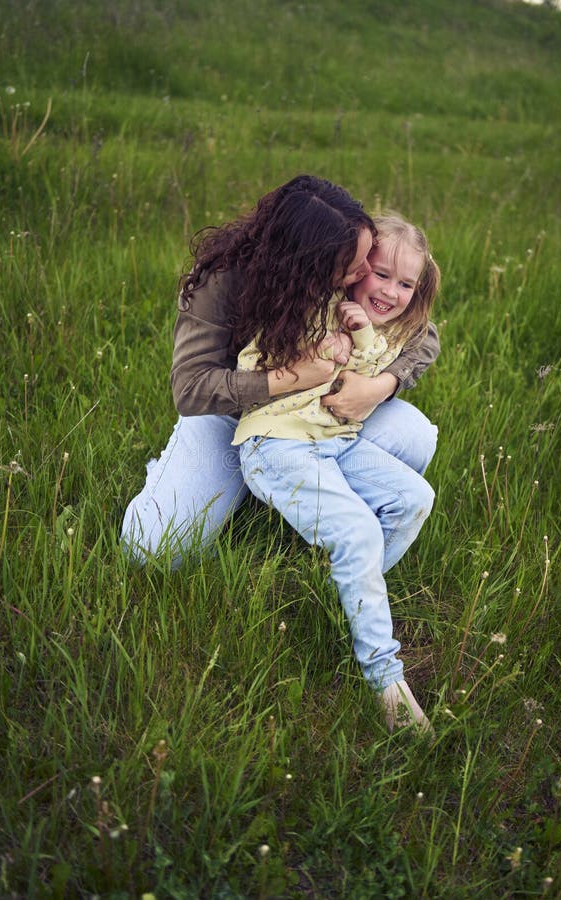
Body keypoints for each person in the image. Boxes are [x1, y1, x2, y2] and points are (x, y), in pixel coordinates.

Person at [120, 177, 439, 577]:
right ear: (308, 264)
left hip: (318, 420)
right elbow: (191, 389)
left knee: (416, 435)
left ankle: (316, 523)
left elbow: (423, 331)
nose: (364, 274)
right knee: (153, 551)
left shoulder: (350, 274)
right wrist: (291, 378)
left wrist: (379, 387)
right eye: (355, 266)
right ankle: (219, 483)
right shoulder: (222, 283)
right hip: (233, 418)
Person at [236, 214, 440, 732]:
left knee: (415, 497)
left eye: (406, 282)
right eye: (382, 274)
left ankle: (340, 596)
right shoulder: (315, 298)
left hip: (334, 442)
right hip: (278, 442)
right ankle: (384, 679)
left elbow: (388, 359)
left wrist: (364, 334)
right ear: (355, 269)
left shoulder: (391, 325)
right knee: (357, 531)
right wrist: (318, 343)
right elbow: (260, 352)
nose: (392, 291)